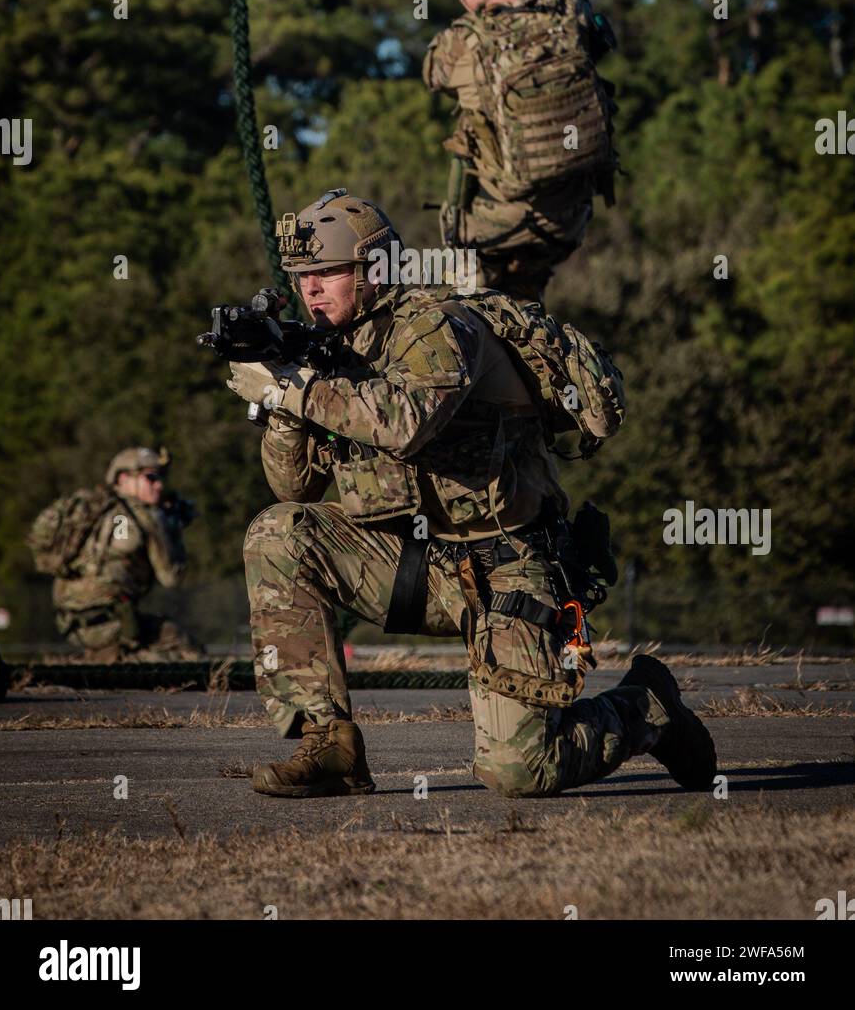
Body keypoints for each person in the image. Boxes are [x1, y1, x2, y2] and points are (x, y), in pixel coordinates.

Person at [227, 188, 716, 799]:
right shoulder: (333, 352)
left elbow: (403, 423)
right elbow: (294, 484)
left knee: (520, 771)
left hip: (508, 572)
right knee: (280, 533)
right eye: (302, 276)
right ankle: (331, 746)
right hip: (419, 565)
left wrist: (294, 391)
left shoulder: (438, 327)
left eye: (328, 272)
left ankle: (648, 709)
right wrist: (281, 405)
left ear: (375, 269)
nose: (311, 289)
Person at [424, 0, 618, 303]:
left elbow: (433, 73)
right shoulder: (573, 8)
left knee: (457, 317)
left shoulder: (462, 42)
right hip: (568, 222)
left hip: (497, 228)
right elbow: (602, 40)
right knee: (526, 313)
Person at [28, 446, 200, 661]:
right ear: (123, 478)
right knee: (185, 651)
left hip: (69, 621)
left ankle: (93, 660)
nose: (159, 485)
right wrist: (169, 526)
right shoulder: (141, 517)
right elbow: (171, 577)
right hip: (111, 623)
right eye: (151, 477)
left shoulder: (93, 510)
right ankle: (86, 665)